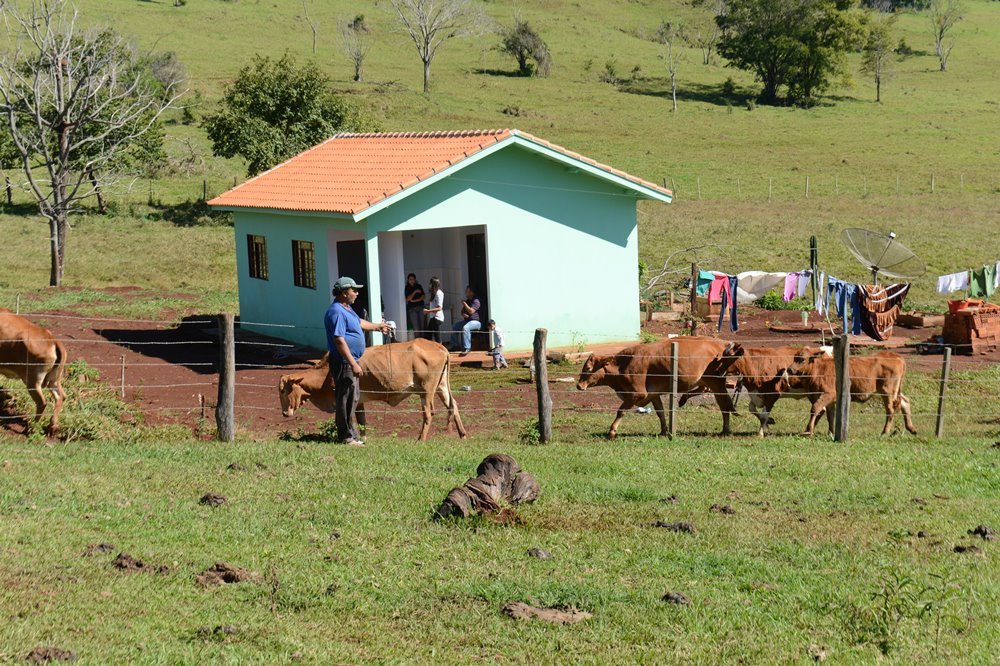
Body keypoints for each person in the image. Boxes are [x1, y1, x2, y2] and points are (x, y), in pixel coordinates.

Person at [324, 276, 391, 446]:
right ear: (344, 293)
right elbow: (339, 340)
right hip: (344, 362)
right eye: (353, 290)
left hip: (350, 362)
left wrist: (377, 326)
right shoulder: (337, 312)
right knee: (345, 398)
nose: (356, 293)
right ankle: (346, 438)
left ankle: (351, 436)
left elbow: (358, 322)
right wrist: (353, 363)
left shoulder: (347, 309)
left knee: (353, 398)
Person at [451, 285, 482, 355]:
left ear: (472, 293)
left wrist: (464, 304)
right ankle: (455, 345)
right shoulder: (468, 301)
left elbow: (471, 311)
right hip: (467, 321)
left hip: (476, 322)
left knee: (465, 328)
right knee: (455, 326)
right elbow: (462, 311)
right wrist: (463, 314)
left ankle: (467, 348)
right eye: (466, 291)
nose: (466, 293)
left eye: (467, 291)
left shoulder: (476, 301)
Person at [404, 273, 425, 339]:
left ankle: (423, 343)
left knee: (422, 327)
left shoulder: (419, 286)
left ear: (415, 280)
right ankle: (418, 343)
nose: (412, 281)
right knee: (416, 328)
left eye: (413, 279)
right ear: (408, 280)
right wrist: (415, 291)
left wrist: (414, 301)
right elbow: (408, 299)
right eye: (410, 279)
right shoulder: (407, 287)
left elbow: (423, 296)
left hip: (421, 307)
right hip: (412, 309)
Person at [423, 277, 444, 343]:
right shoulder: (434, 293)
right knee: (429, 336)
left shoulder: (439, 293)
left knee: (436, 337)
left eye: (430, 283)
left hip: (437, 318)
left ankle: (440, 351)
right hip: (433, 318)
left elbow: (439, 308)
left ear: (433, 284)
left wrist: (428, 311)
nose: (429, 285)